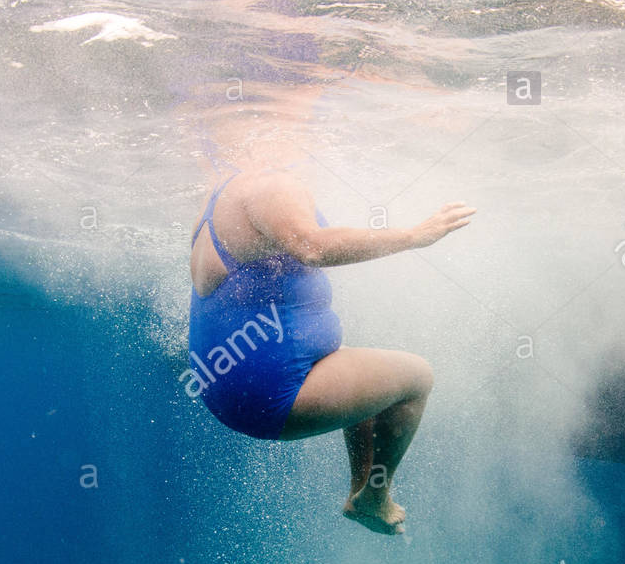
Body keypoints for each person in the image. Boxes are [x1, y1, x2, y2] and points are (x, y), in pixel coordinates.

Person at [185, 166, 475, 534]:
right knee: (417, 377)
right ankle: (374, 495)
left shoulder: (222, 193)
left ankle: (361, 495)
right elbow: (312, 246)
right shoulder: (270, 185)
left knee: (370, 375)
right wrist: (416, 235)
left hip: (230, 388)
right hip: (268, 400)